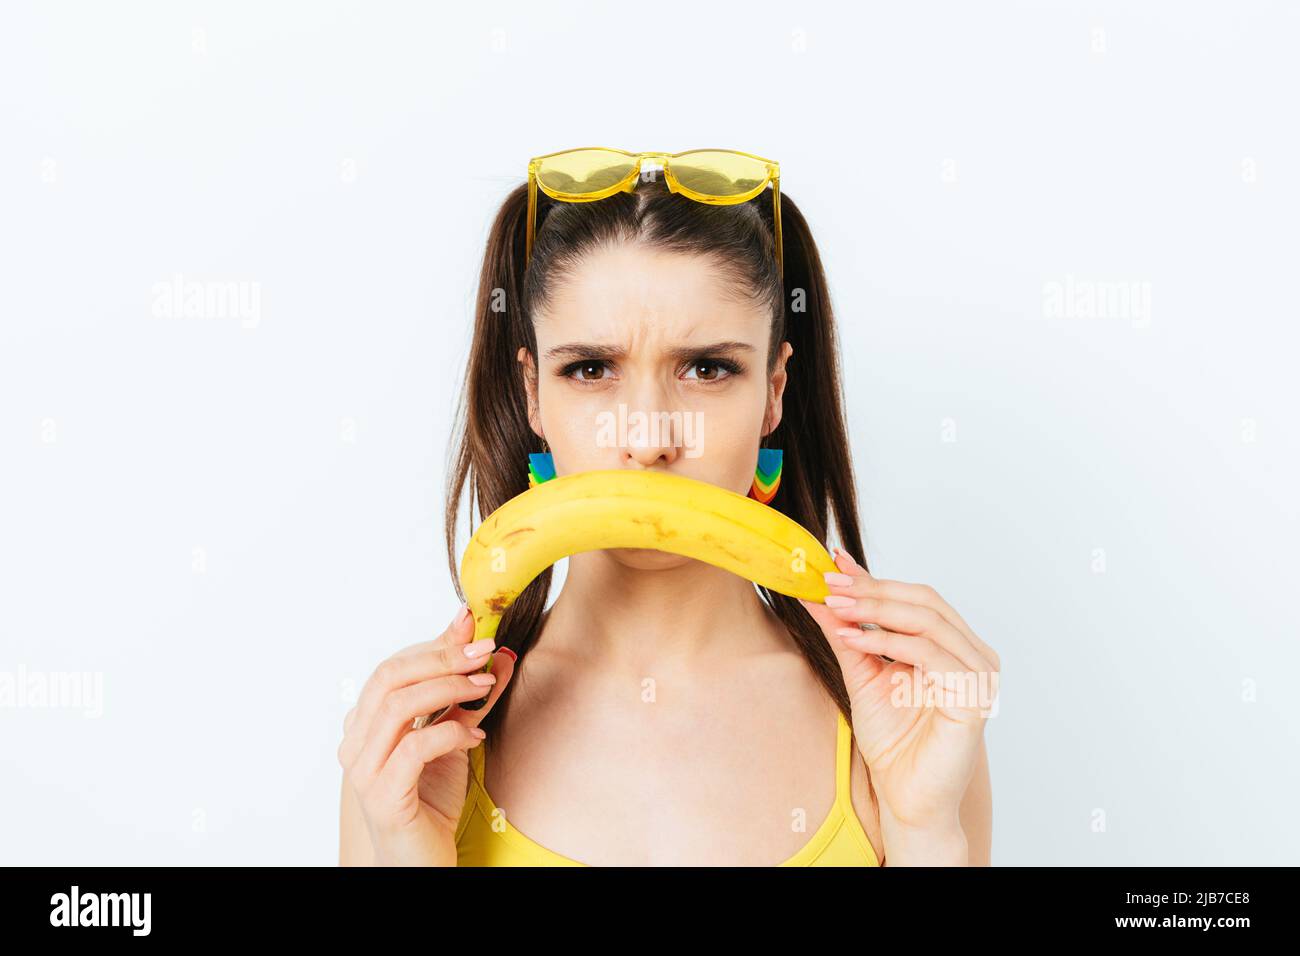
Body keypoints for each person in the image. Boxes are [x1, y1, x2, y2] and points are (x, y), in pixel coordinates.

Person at [338, 150, 999, 866]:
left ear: (774, 390)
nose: (648, 437)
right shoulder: (414, 747)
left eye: (708, 368)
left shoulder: (900, 730)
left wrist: (925, 833)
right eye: (591, 370)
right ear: (532, 394)